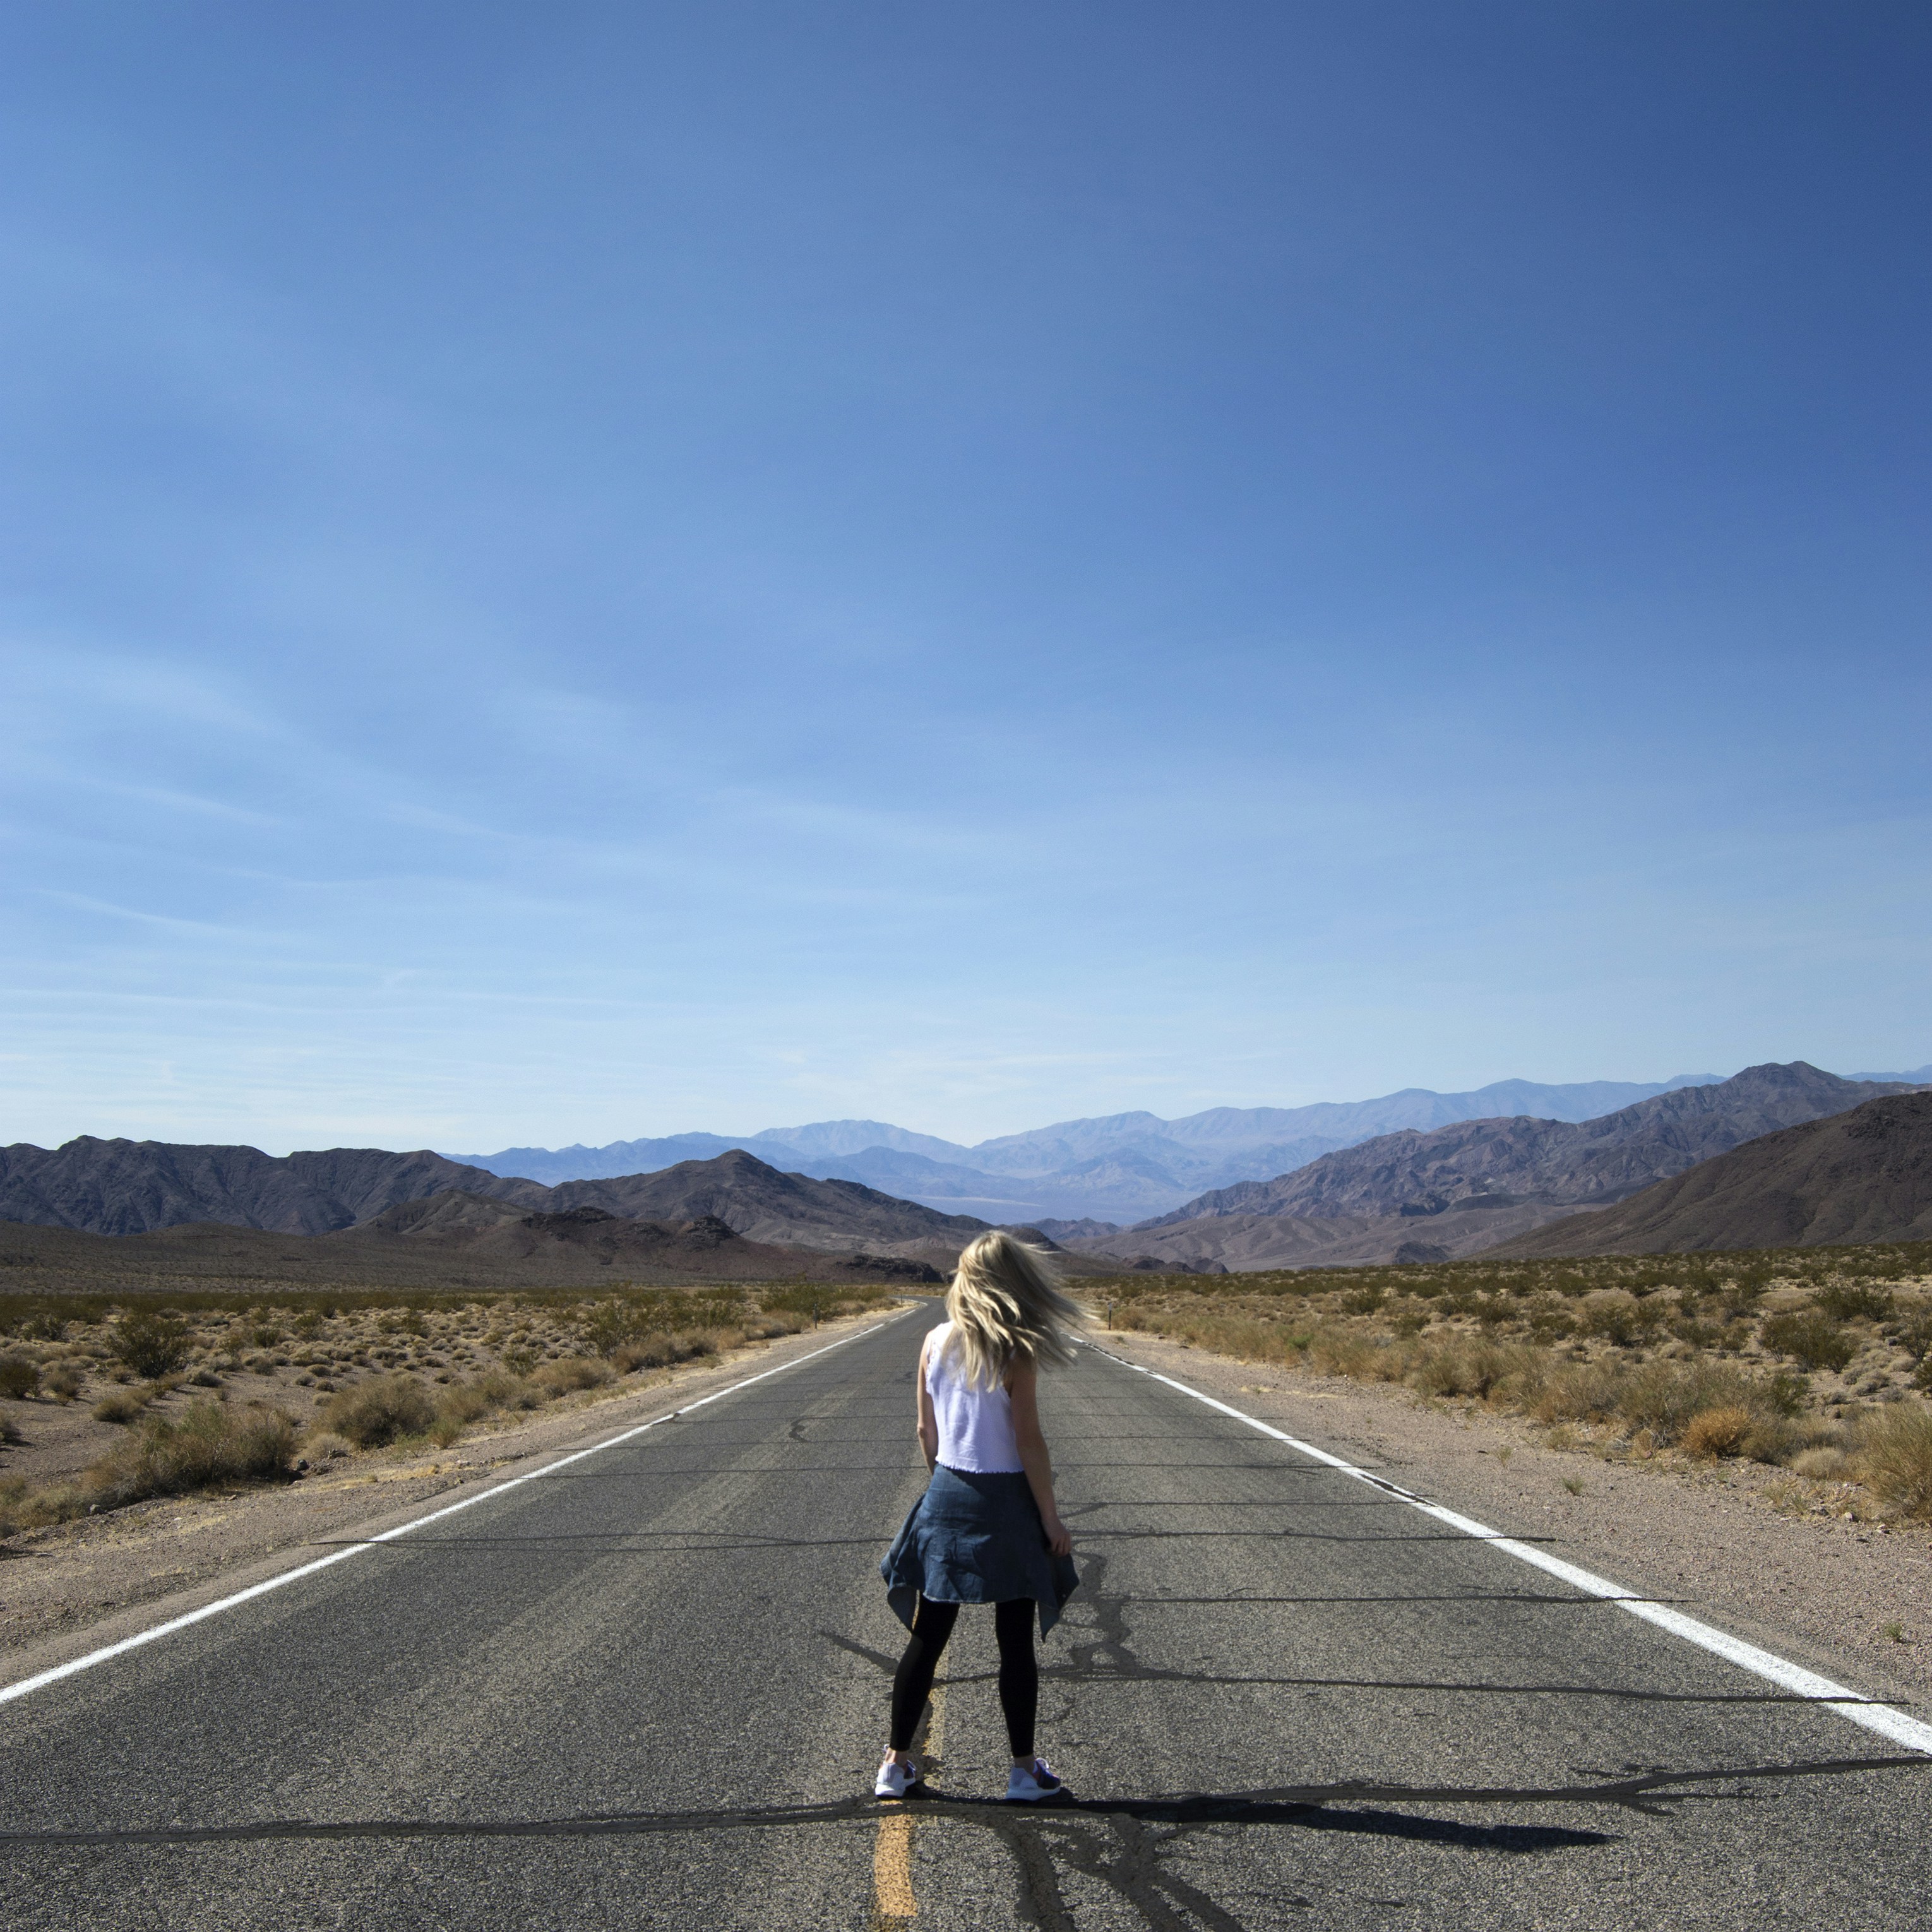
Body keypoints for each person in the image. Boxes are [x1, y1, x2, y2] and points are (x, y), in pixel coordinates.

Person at [876, 1229, 1083, 1803]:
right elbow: (1029, 1442)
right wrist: (1051, 1518)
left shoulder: (933, 1340)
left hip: (947, 1493)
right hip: (1008, 1502)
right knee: (1014, 1641)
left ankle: (895, 1766)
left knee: (929, 1636)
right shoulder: (1016, 1350)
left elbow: (926, 1431)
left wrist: (943, 1488)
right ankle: (1023, 1773)